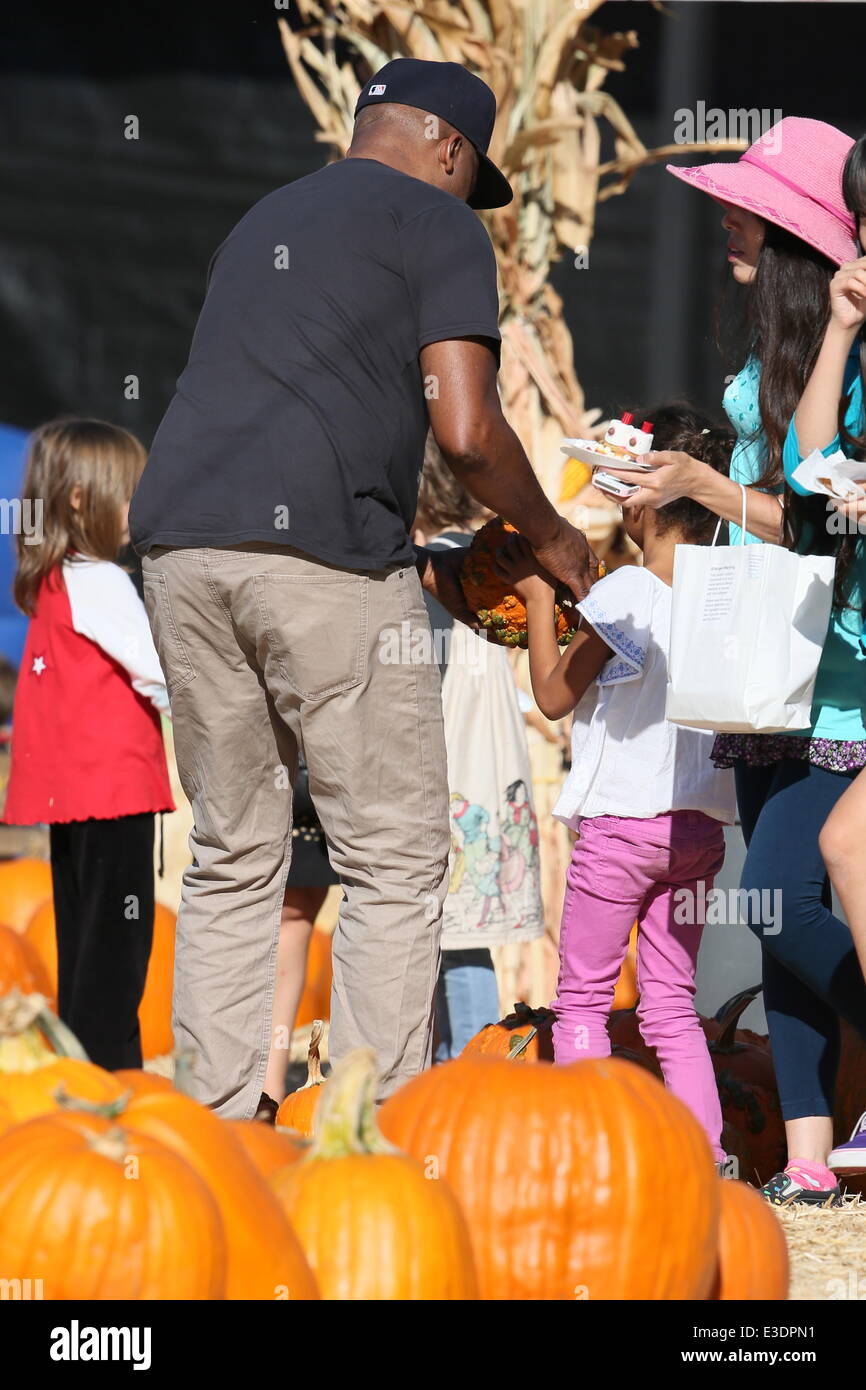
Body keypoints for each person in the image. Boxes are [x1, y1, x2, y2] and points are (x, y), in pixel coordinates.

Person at [128, 57, 597, 1116]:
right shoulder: (437, 224)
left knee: (233, 851)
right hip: (323, 563)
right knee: (390, 857)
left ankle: (217, 1140)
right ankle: (367, 1144)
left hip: (179, 548)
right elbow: (468, 434)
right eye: (467, 175)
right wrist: (555, 537)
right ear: (449, 147)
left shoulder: (263, 219)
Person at [602, 118, 866, 1203]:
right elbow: (799, 482)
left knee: (779, 894)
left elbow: (804, 516)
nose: (724, 225)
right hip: (766, 683)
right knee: (772, 918)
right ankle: (805, 1156)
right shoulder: (767, 367)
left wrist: (711, 493)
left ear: (791, 234)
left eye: (744, 212)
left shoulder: (849, 370)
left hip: (837, 684)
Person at [499, 405, 737, 1165]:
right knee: (672, 1008)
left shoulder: (630, 591)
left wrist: (540, 601)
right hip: (698, 833)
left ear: (642, 496)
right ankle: (707, 1160)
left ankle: (589, 1155)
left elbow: (554, 694)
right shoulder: (726, 595)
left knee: (583, 1002)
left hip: (619, 832)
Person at [2, 419, 173, 1069]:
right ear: (79, 498)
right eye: (129, 493)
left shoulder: (46, 579)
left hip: (72, 801)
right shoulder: (100, 581)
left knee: (82, 943)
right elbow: (159, 671)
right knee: (119, 952)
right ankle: (109, 1078)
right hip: (114, 793)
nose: (140, 507)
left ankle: (81, 1065)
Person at [413, 437, 544, 1059]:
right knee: (459, 931)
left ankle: (466, 1069)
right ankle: (462, 1067)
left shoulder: (431, 571)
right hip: (486, 774)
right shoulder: (485, 564)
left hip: (448, 775)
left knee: (453, 936)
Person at [260, 751, 337, 1111]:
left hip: (304, 773)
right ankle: (266, 1087)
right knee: (291, 916)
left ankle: (268, 1089)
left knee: (296, 912)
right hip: (311, 761)